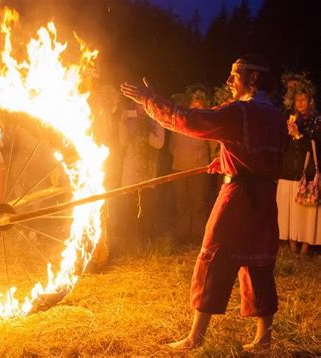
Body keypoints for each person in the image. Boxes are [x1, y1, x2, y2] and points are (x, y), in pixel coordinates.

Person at [121, 54, 286, 352]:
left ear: (252, 79)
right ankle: (264, 338)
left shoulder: (240, 112)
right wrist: (224, 162)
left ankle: (195, 337)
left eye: (234, 75)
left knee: (214, 257)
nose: (228, 81)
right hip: (263, 199)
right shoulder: (275, 114)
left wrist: (150, 101)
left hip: (236, 198)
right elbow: (257, 156)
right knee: (258, 261)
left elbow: (191, 121)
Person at [277, 78, 321, 255]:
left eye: (304, 99)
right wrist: (287, 133)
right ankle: (292, 244)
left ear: (311, 101)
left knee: (306, 213)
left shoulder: (317, 121)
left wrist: (298, 136)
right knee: (289, 210)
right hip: (288, 172)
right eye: (297, 99)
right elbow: (282, 145)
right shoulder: (290, 117)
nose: (300, 103)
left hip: (307, 173)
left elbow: (316, 147)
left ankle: (305, 247)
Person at [168, 85, 213, 244]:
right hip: (179, 167)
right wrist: (179, 158)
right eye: (194, 104)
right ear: (189, 105)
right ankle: (182, 235)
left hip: (199, 168)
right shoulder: (180, 121)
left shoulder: (207, 124)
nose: (196, 108)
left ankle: (197, 236)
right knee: (181, 203)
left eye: (200, 106)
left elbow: (212, 147)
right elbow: (172, 146)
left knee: (199, 204)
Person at [118, 101, 165, 254]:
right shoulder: (129, 120)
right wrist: (124, 123)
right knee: (130, 207)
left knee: (146, 208)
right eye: (138, 106)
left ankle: (146, 240)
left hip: (147, 170)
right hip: (131, 170)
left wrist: (147, 133)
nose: (141, 109)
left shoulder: (156, 121)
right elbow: (122, 141)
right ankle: (130, 242)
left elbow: (159, 144)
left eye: (143, 106)